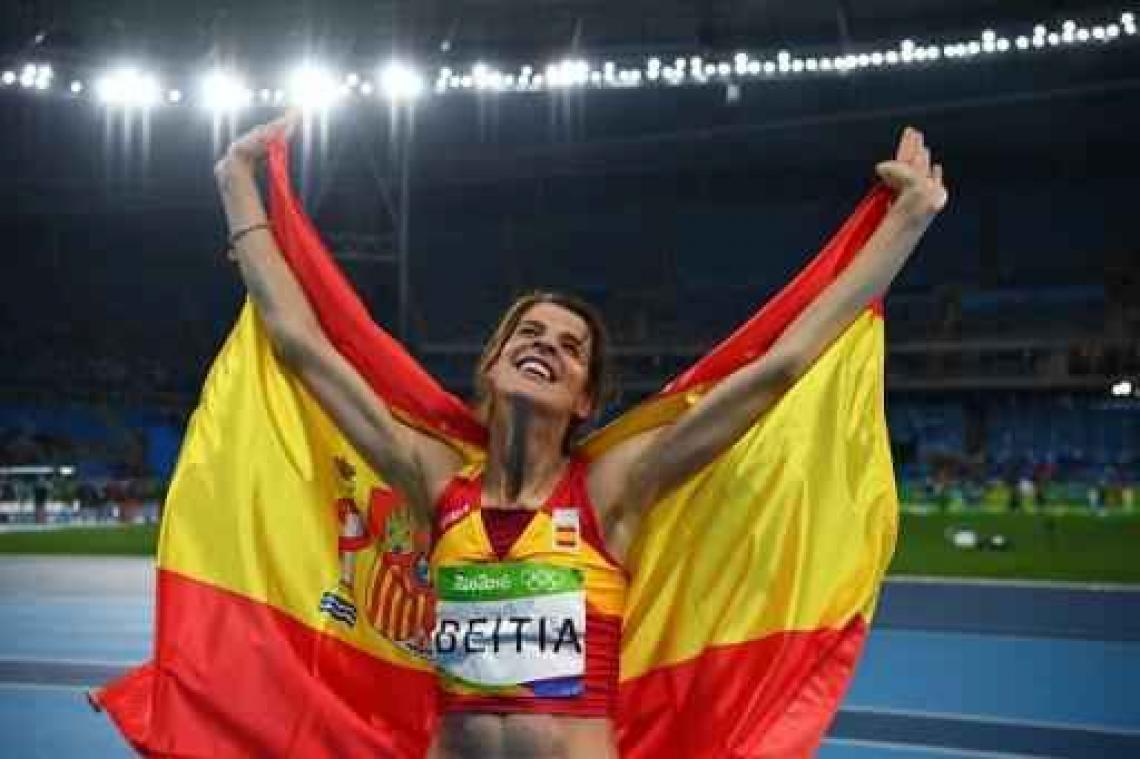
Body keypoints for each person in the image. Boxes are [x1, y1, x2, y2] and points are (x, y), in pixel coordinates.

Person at [213, 112, 947, 759]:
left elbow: (780, 366)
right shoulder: (438, 483)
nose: (544, 345)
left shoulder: (610, 487)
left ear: (586, 398)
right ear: (492, 366)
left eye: (569, 346)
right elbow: (301, 343)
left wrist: (904, 224)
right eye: (526, 334)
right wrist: (237, 179)